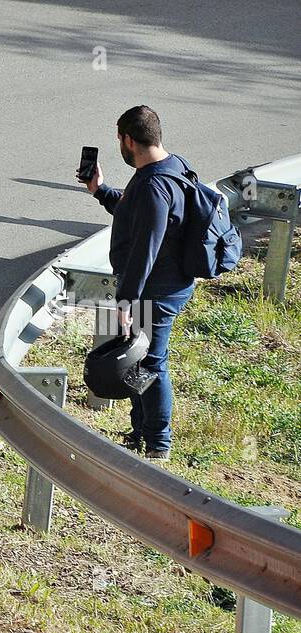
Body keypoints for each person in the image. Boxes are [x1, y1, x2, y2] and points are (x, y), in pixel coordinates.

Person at [80, 105, 197, 461]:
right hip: (159, 284)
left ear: (129, 140)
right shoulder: (170, 166)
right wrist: (101, 191)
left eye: (119, 140)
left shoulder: (154, 185)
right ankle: (140, 432)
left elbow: (146, 246)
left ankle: (158, 445)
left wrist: (126, 301)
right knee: (138, 360)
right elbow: (138, 216)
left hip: (157, 289)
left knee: (151, 364)